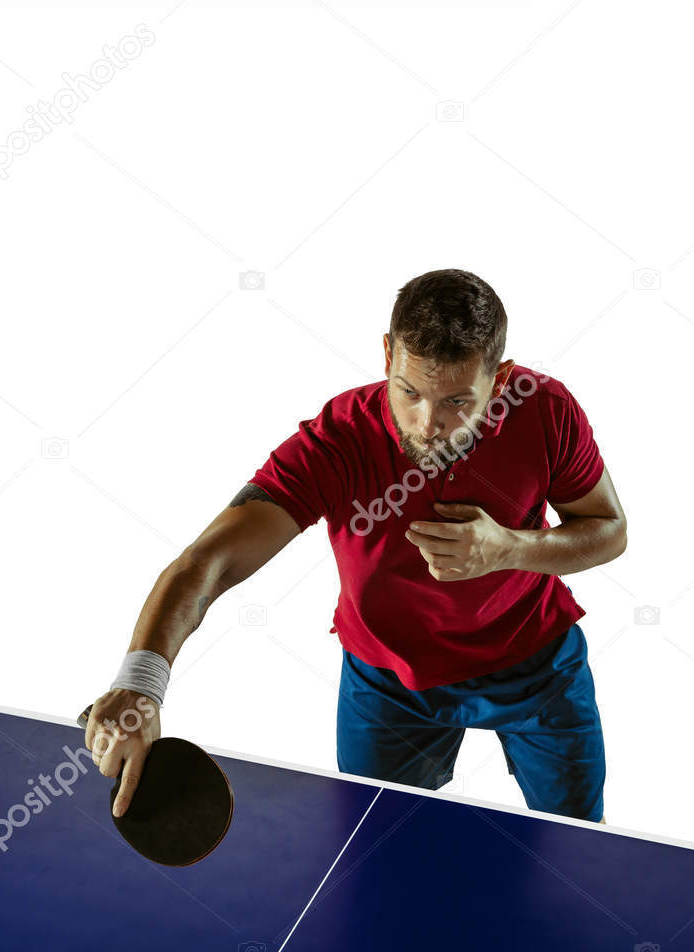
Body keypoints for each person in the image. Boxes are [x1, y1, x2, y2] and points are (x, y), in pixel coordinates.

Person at [86, 269, 627, 822]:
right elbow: (209, 561)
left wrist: (511, 548)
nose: (429, 423)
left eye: (457, 401)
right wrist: (140, 684)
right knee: (373, 854)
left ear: (501, 377)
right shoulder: (338, 440)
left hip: (534, 665)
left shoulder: (546, 410)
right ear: (388, 353)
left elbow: (609, 529)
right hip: (388, 680)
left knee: (577, 844)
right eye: (410, 392)